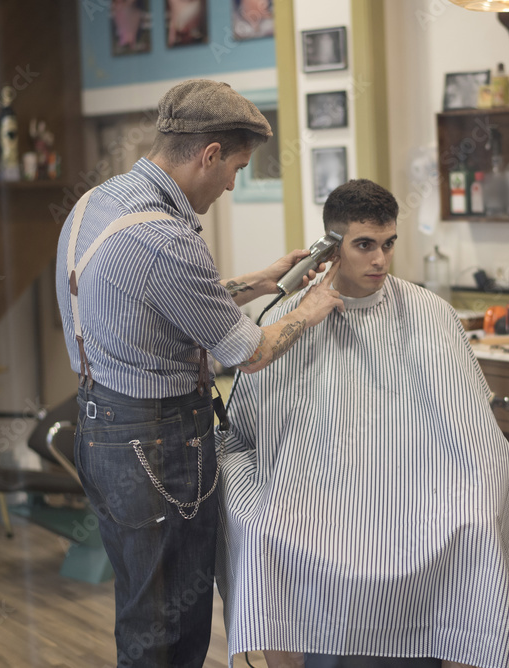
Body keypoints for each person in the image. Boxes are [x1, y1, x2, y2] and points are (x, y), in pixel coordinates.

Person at [54, 79, 343, 668]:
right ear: (209, 154)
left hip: (99, 424)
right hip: (154, 444)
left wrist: (260, 281)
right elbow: (250, 353)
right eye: (235, 167)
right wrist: (312, 308)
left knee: (141, 604)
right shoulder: (165, 238)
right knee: (170, 628)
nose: (233, 183)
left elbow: (158, 301)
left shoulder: (100, 203)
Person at [216, 179, 509, 668]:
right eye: (364, 245)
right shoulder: (290, 317)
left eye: (388, 244)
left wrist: (472, 483)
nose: (380, 261)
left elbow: (470, 431)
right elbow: (251, 426)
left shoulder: (428, 313)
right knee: (264, 531)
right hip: (314, 487)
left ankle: (458, 646)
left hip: (419, 483)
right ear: (330, 247)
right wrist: (305, 312)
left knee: (475, 521)